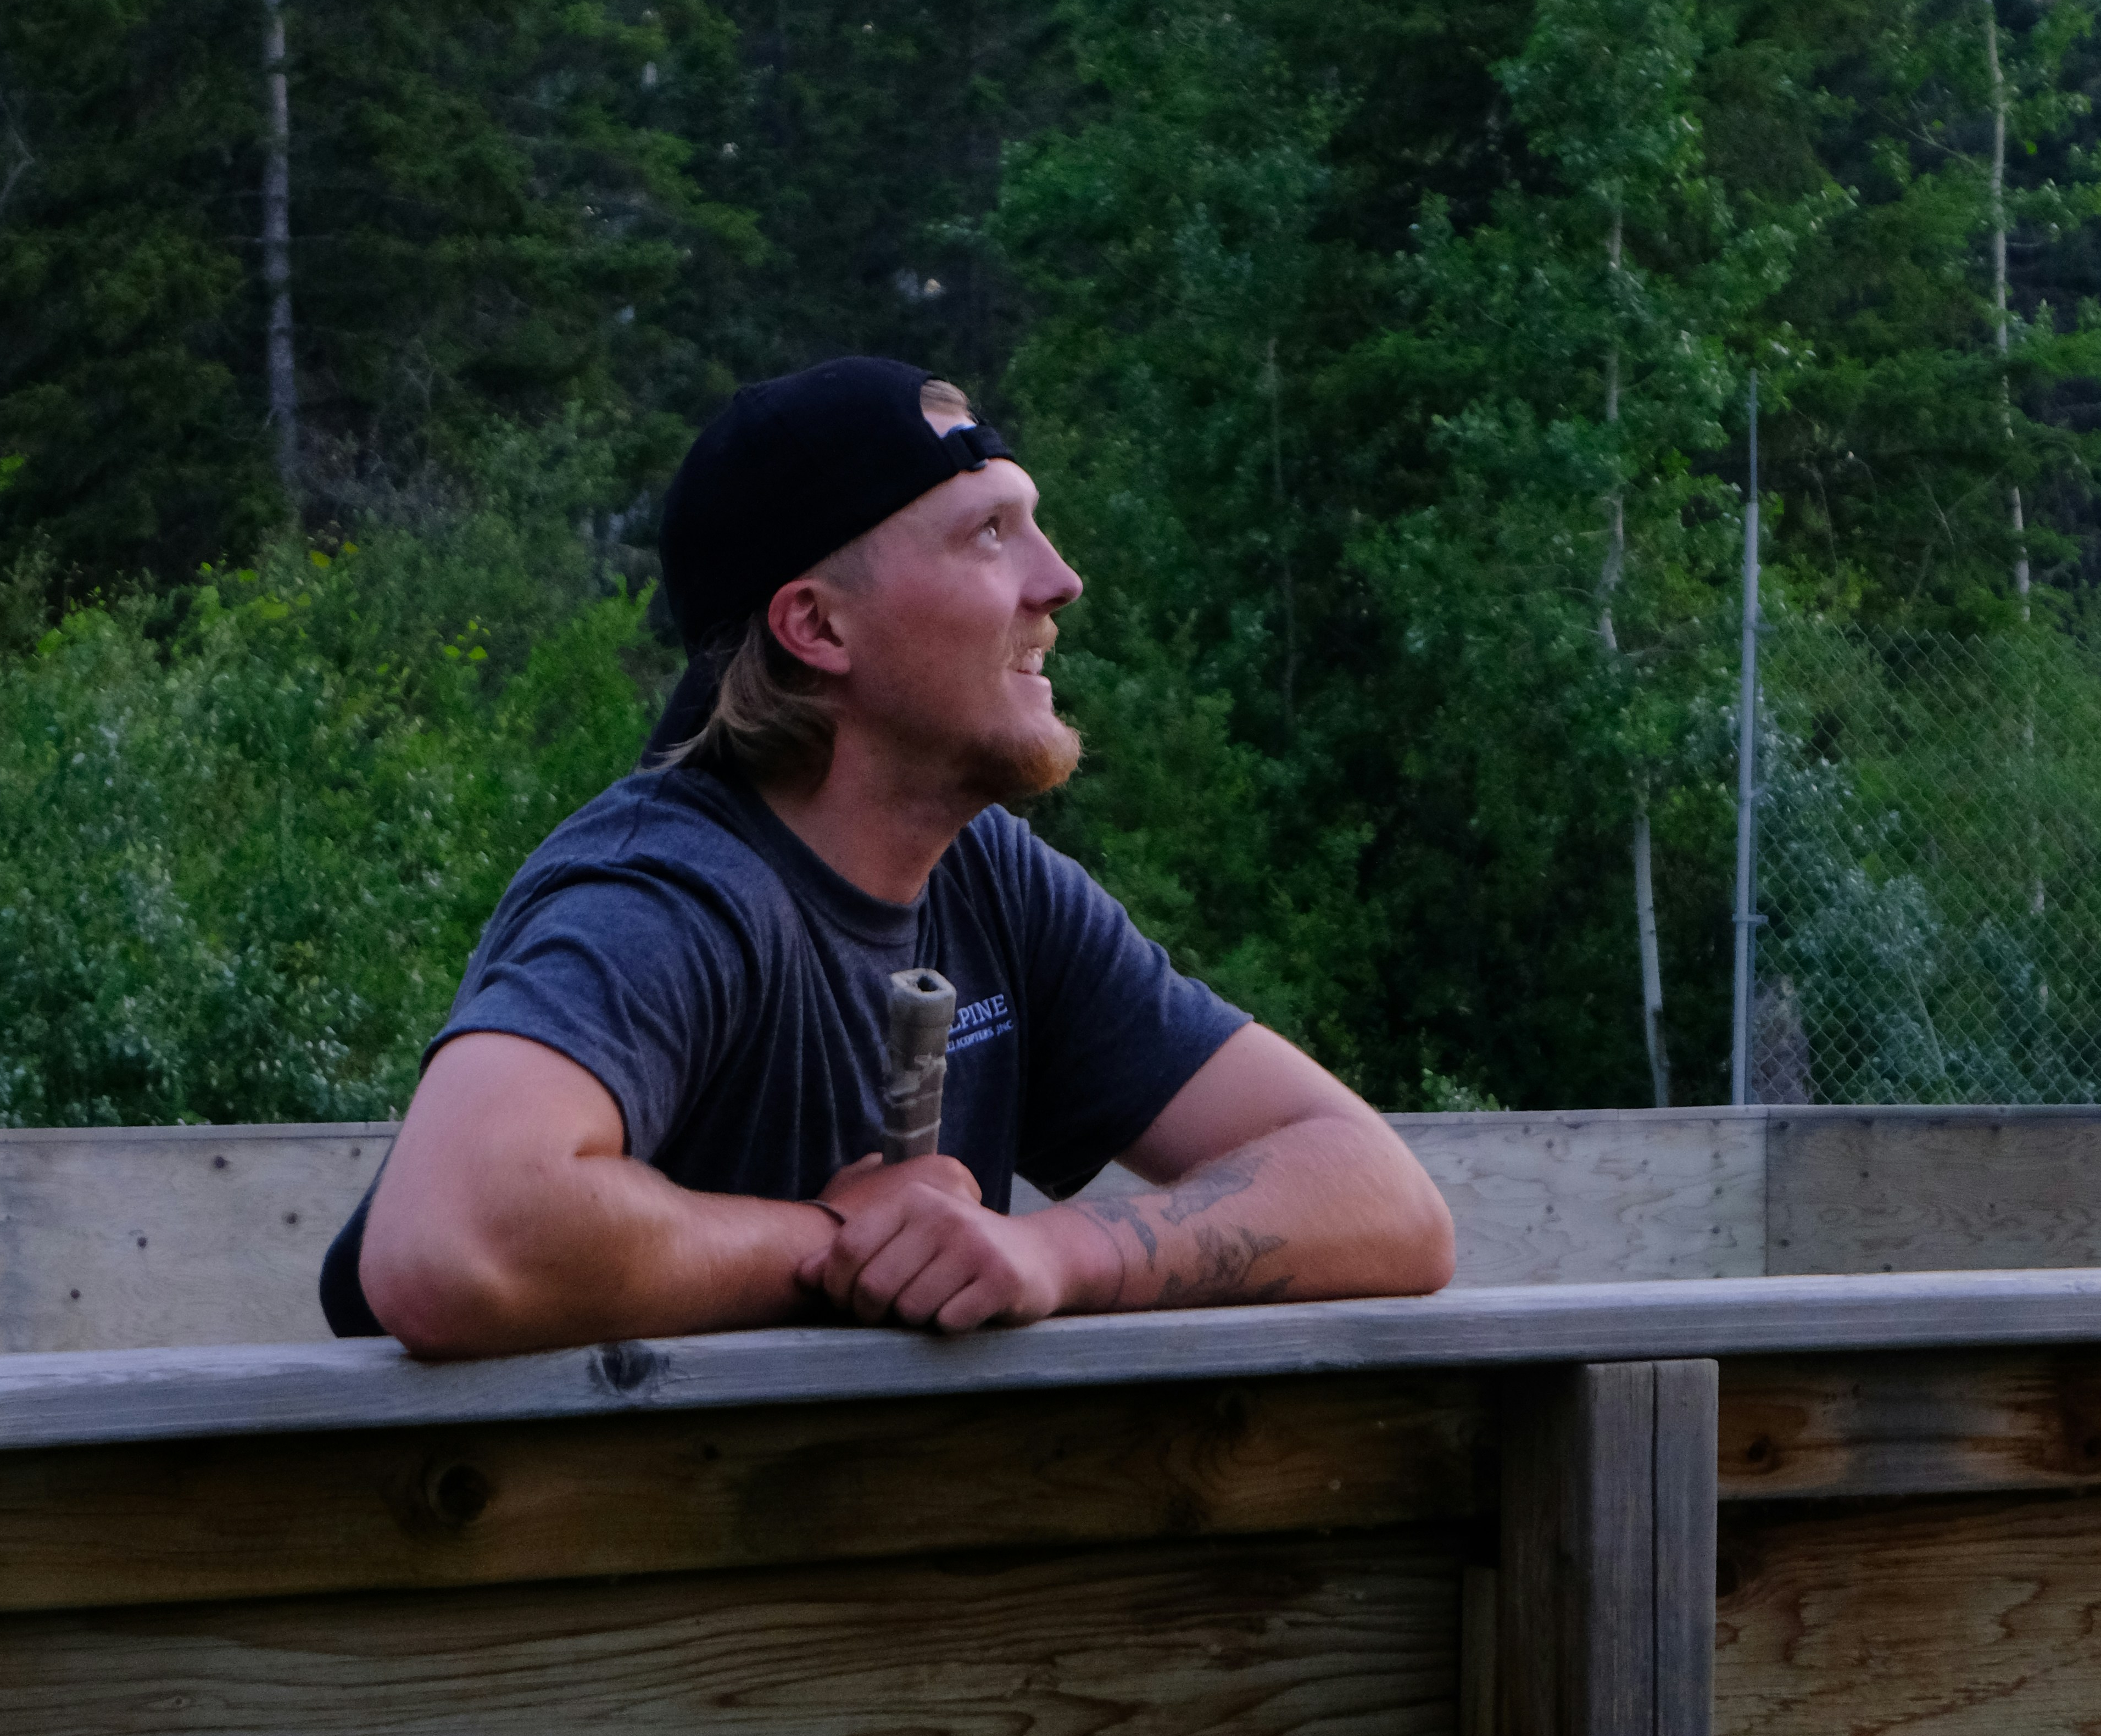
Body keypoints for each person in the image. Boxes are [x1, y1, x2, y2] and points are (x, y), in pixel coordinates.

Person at [327, 358, 1452, 1355]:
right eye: (989, 535)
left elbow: (1386, 1199)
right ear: (818, 627)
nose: (1060, 581)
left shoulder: (988, 877)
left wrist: (1054, 1253)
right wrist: (832, 1241)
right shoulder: (668, 891)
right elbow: (447, 1247)